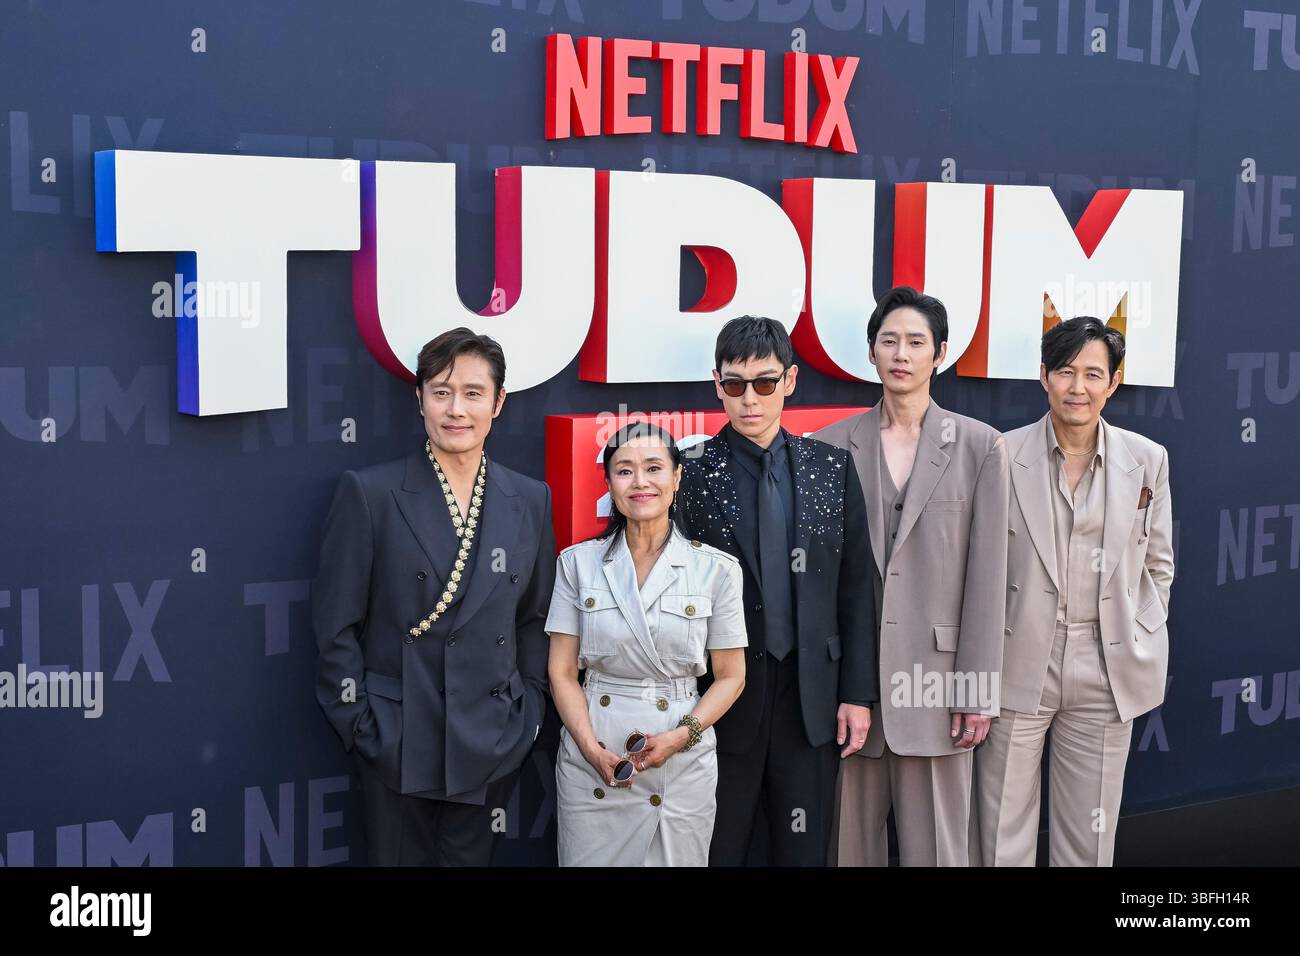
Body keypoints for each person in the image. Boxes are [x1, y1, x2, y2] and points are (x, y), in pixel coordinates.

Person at [312, 327, 555, 866]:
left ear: (499, 402)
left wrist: (529, 712)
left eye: (472, 393)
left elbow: (535, 616)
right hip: (400, 739)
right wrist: (362, 725)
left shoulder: (530, 498)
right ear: (418, 397)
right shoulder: (370, 493)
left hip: (491, 739)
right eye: (441, 391)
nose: (456, 409)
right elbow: (336, 627)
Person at [815, 286, 1009, 866]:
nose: (901, 353)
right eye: (889, 340)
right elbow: (823, 582)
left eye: (915, 342)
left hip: (940, 688)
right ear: (871, 353)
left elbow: (989, 579)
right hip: (854, 691)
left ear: (940, 354)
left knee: (940, 853)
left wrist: (975, 691)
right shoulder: (828, 448)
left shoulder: (981, 447)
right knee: (849, 851)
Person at [676, 315, 877, 866]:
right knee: (716, 849)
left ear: (789, 381)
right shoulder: (687, 474)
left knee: (803, 851)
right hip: (719, 696)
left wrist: (858, 694)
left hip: (810, 696)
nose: (749, 399)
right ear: (717, 384)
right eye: (734, 384)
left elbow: (857, 587)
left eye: (765, 382)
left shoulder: (831, 468)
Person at [976, 316, 1174, 866]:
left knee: (1088, 843)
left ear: (1113, 383)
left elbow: (1159, 564)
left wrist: (1140, 629)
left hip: (1107, 664)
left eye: (1093, 374)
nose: (1078, 387)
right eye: (1065, 371)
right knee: (999, 834)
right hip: (1017, 659)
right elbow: (983, 565)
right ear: (1043, 377)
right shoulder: (1001, 455)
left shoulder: (1148, 460)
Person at [545, 422, 747, 866]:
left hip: (681, 761)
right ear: (609, 484)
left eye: (654, 468)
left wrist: (682, 736)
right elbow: (561, 673)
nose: (640, 482)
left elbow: (731, 677)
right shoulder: (577, 565)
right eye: (625, 470)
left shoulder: (717, 570)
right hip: (594, 754)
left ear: (676, 478)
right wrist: (590, 748)